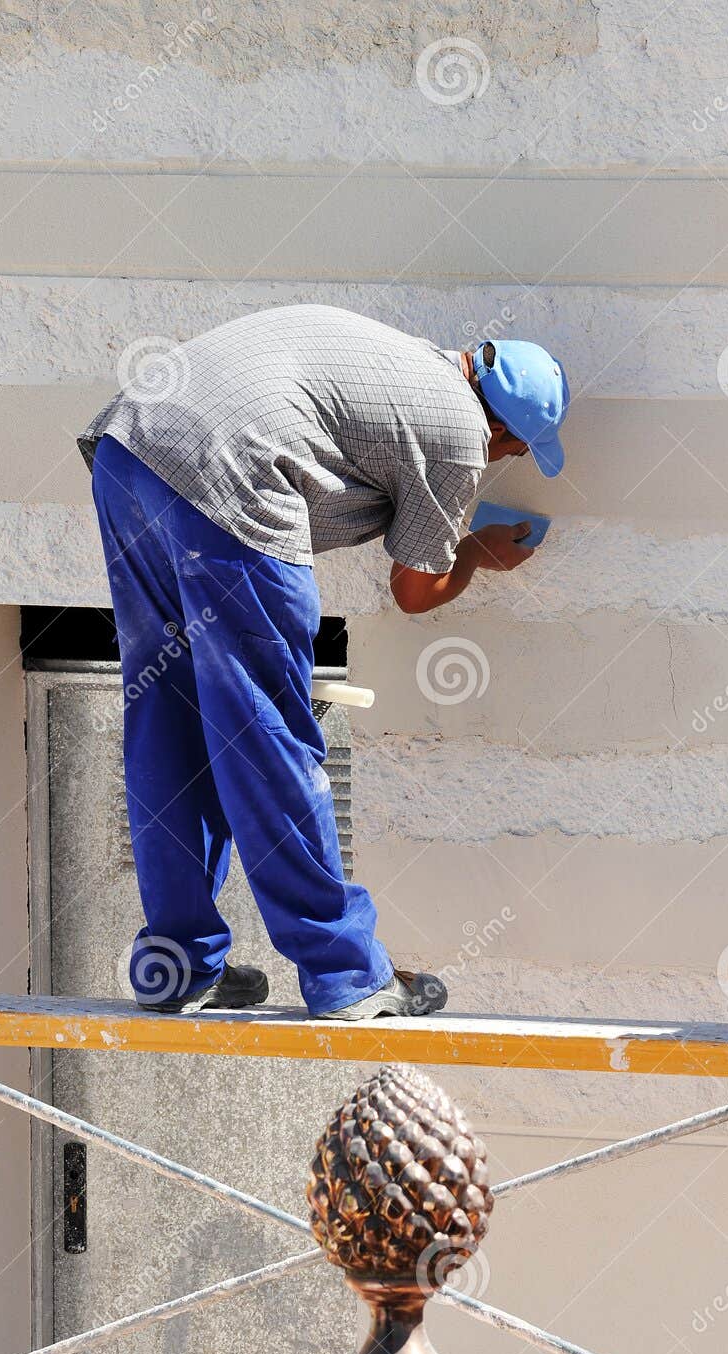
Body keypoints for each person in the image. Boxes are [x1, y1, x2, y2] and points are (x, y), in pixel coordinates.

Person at [79, 305, 568, 1019]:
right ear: (498, 425)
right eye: (517, 450)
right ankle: (346, 975)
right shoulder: (460, 432)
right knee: (265, 731)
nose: (507, 463)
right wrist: (471, 555)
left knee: (167, 710)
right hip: (231, 479)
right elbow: (413, 592)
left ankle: (178, 965)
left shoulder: (402, 360)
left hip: (133, 452)